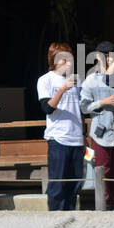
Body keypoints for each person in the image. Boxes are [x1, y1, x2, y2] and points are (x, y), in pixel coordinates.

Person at [79, 41, 114, 211]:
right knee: (103, 170)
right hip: (100, 134)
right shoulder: (90, 81)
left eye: (112, 56)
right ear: (98, 57)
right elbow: (83, 107)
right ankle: (104, 205)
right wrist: (102, 102)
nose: (109, 59)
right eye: (106, 56)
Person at [37, 43, 84, 211]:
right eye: (64, 59)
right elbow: (47, 108)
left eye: (70, 59)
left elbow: (83, 107)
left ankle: (70, 216)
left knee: (76, 183)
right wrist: (62, 89)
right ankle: (55, 218)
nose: (68, 63)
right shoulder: (45, 80)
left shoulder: (76, 80)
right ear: (54, 60)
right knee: (57, 184)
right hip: (58, 138)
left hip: (77, 138)